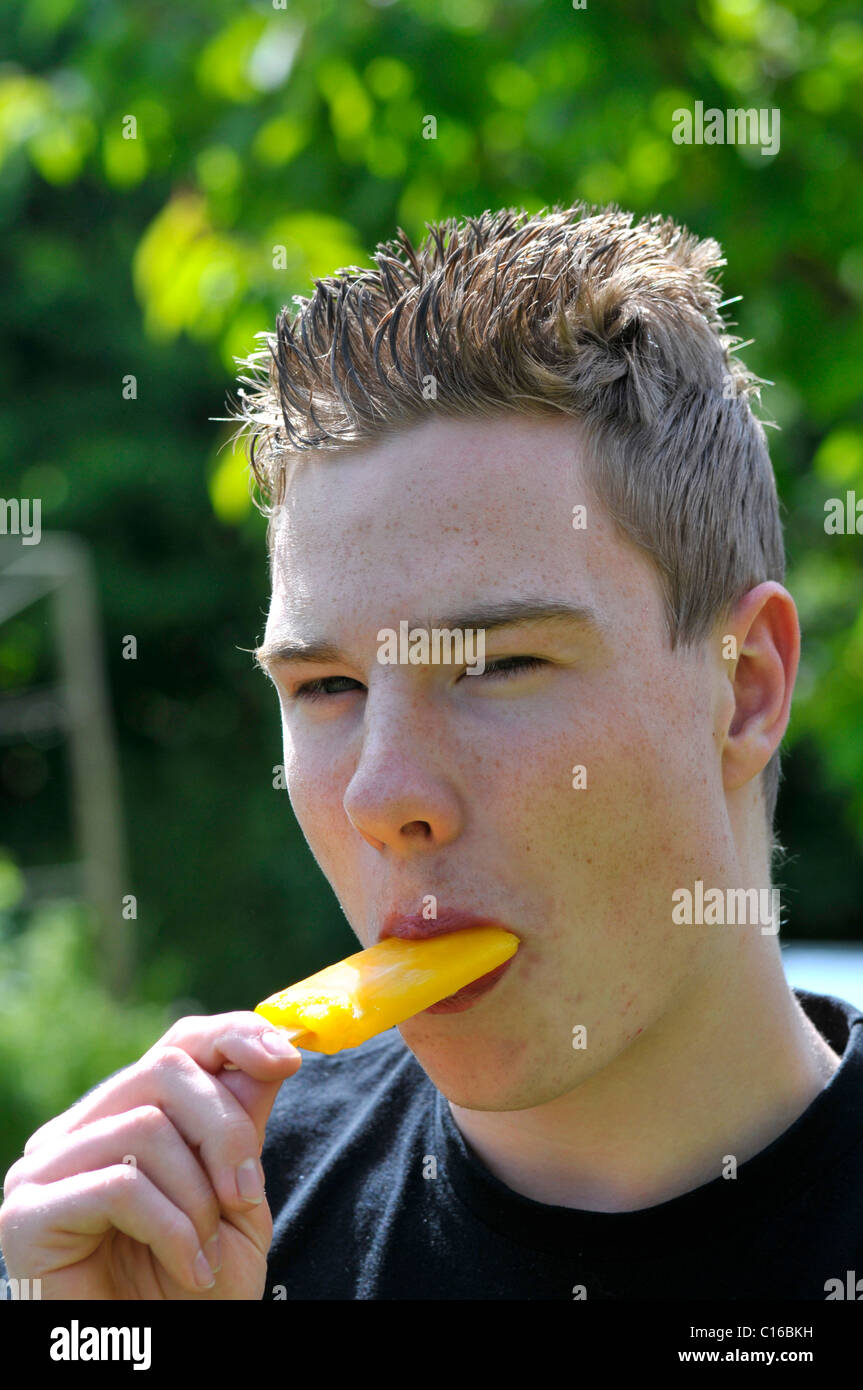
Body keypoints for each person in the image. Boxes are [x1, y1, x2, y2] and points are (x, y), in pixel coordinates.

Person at [2, 203, 861, 1300]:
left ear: (743, 687)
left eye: (497, 665)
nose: (381, 794)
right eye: (326, 688)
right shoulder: (167, 1245)